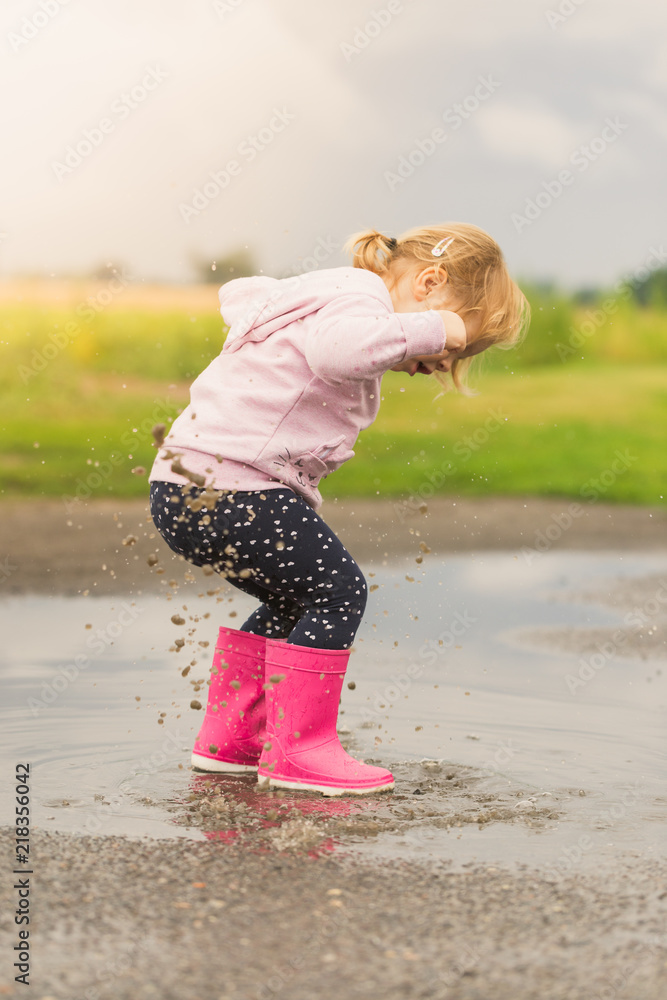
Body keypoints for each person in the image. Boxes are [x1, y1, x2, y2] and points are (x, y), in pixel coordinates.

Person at [148, 223, 529, 796]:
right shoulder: (359, 298)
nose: (437, 360)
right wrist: (435, 326)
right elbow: (337, 352)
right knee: (338, 590)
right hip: (234, 486)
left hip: (187, 486)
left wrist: (432, 329)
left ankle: (232, 740)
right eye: (451, 345)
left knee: (295, 597)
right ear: (429, 282)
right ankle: (299, 753)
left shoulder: (331, 299)